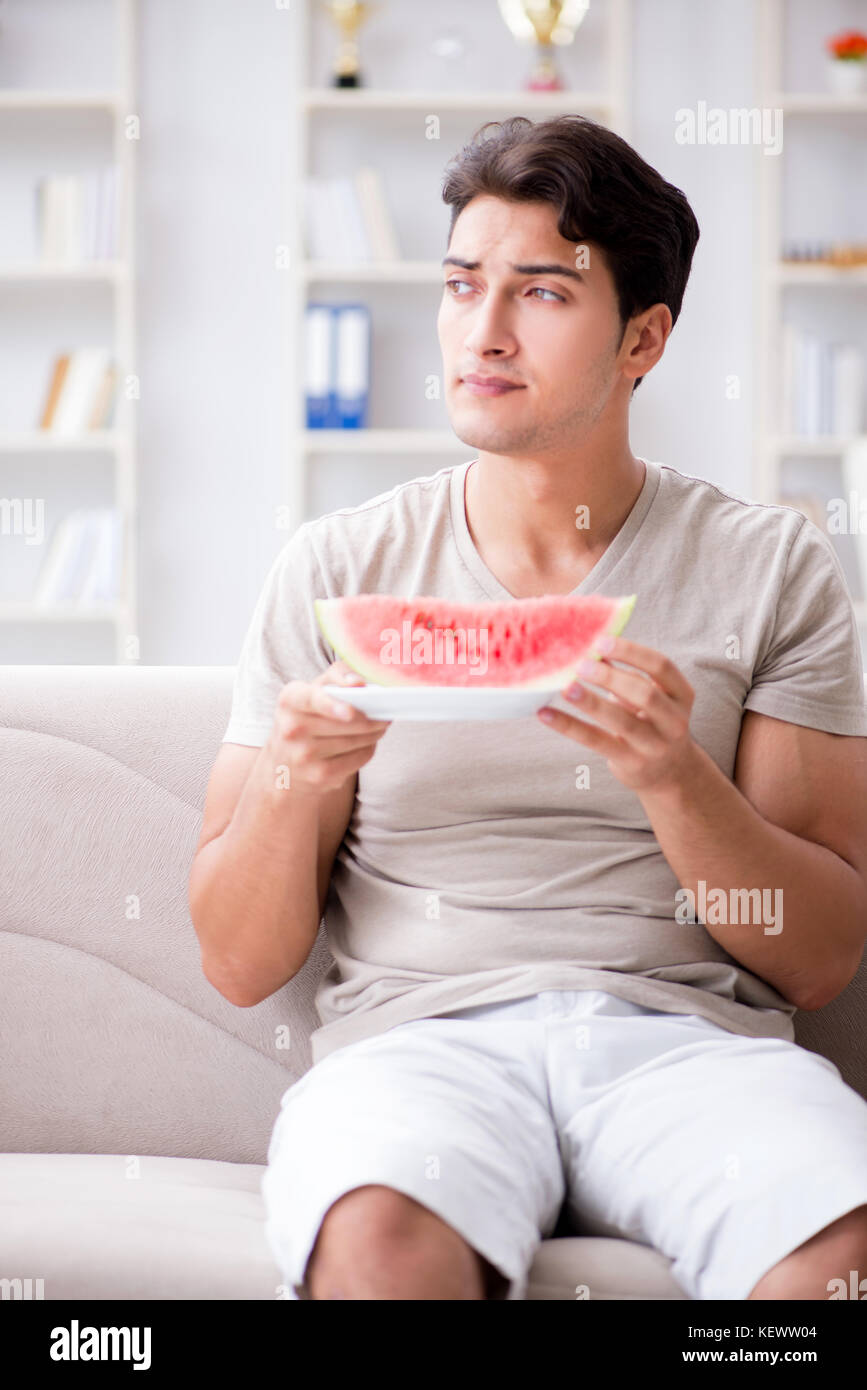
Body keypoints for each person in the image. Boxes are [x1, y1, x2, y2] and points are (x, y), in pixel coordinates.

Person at [189, 115, 867, 1301]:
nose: (481, 333)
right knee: (377, 1248)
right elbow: (239, 964)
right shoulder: (335, 567)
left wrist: (675, 776)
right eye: (462, 286)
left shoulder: (774, 566)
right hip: (417, 1047)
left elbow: (816, 962)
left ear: (643, 338)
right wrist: (300, 772)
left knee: (842, 1260)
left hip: (690, 1048)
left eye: (543, 294)